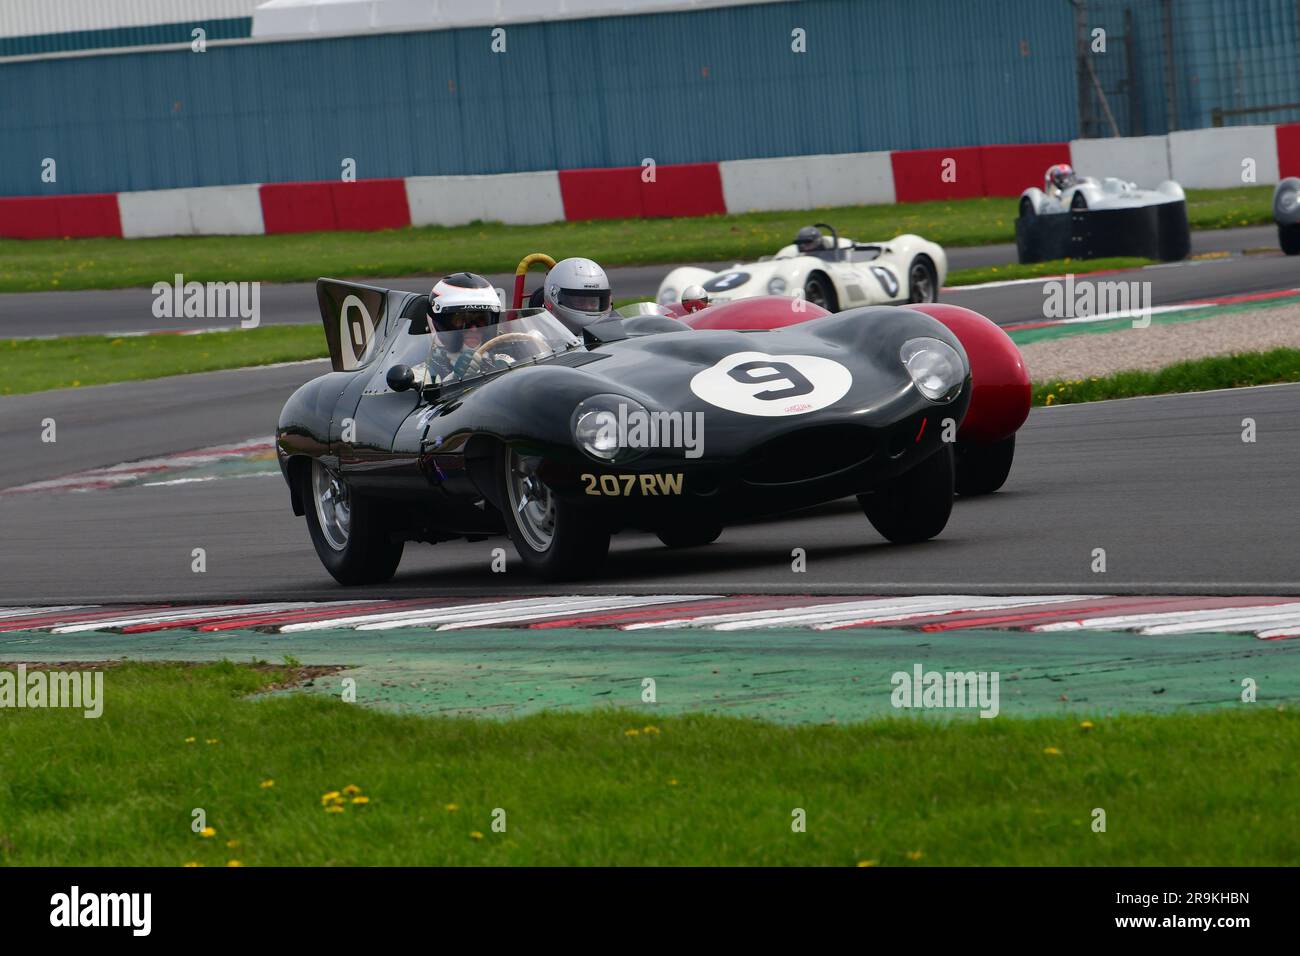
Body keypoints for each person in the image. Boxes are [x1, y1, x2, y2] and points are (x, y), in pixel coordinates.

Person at [425, 272, 505, 383]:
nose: (473, 329)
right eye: (462, 321)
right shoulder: (426, 373)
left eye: (481, 320)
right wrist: (454, 379)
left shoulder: (503, 361)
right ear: (438, 324)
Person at [541, 257, 613, 333]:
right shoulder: (538, 334)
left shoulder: (614, 327)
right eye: (580, 302)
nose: (588, 307)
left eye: (594, 302)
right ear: (554, 294)